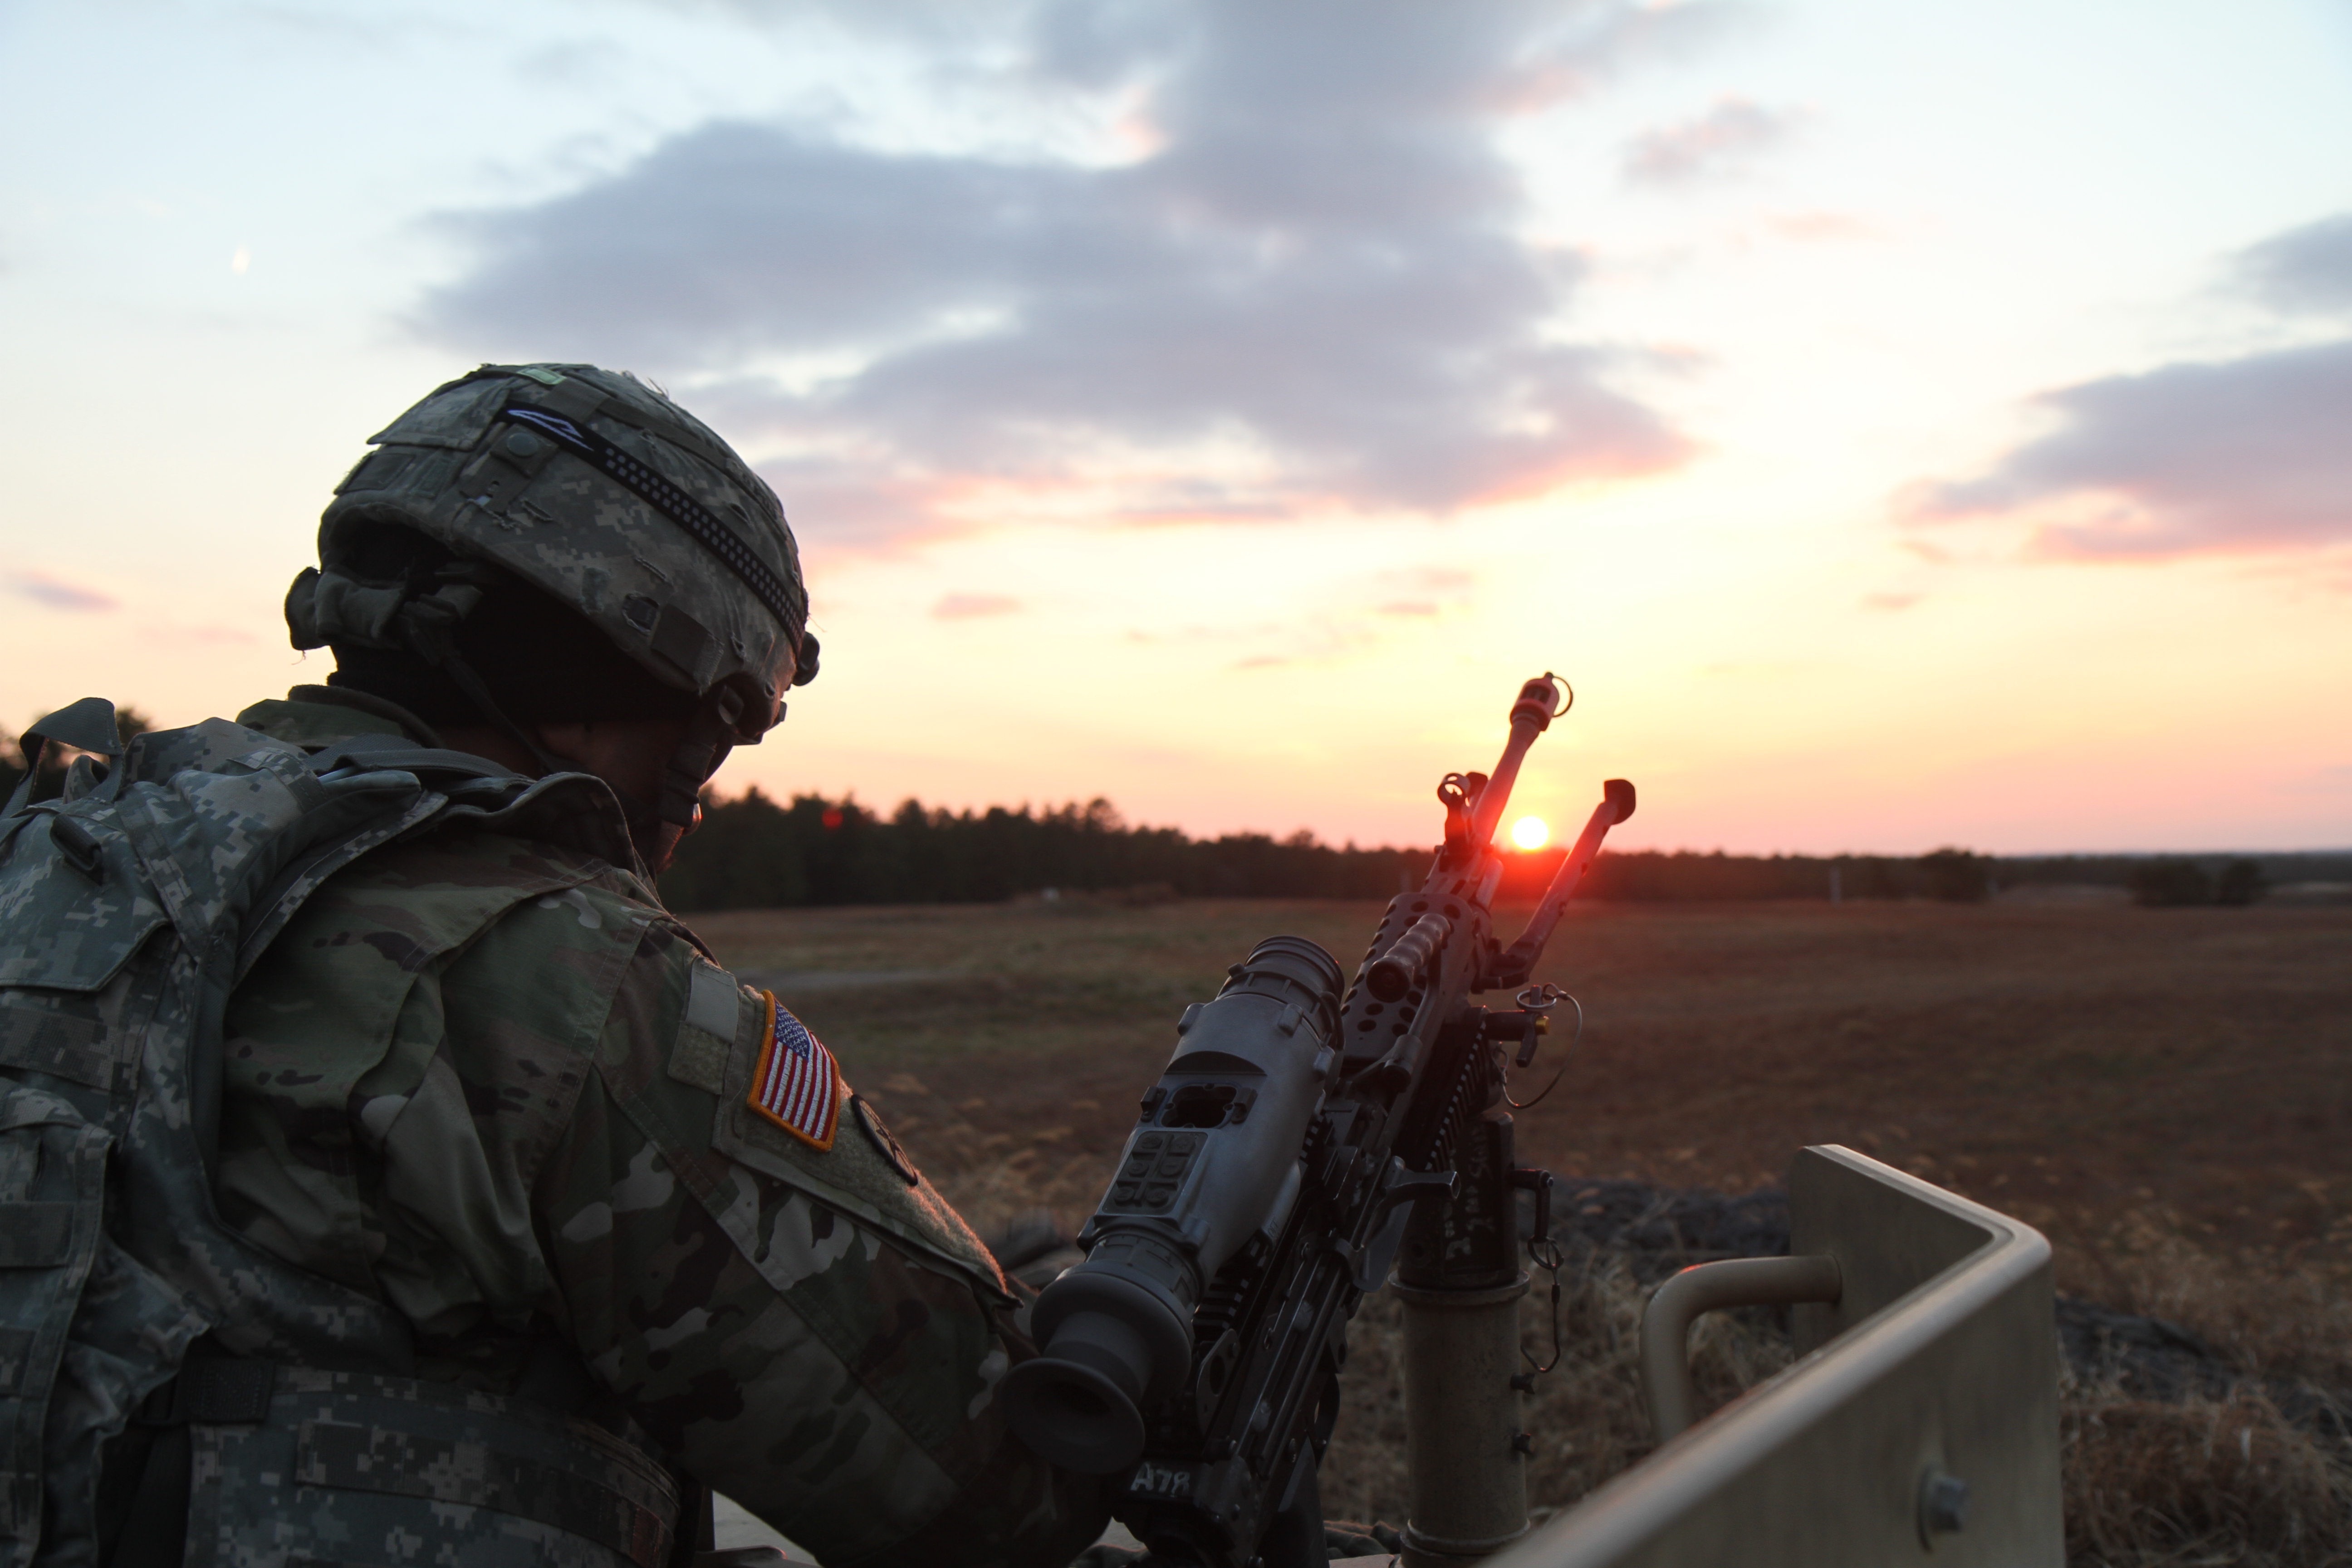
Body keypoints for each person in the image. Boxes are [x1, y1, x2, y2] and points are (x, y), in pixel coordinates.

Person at [10, 364, 1108, 1568]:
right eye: (723, 729)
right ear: (679, 701)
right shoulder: (566, 984)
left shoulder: (54, 857)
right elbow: (987, 1500)